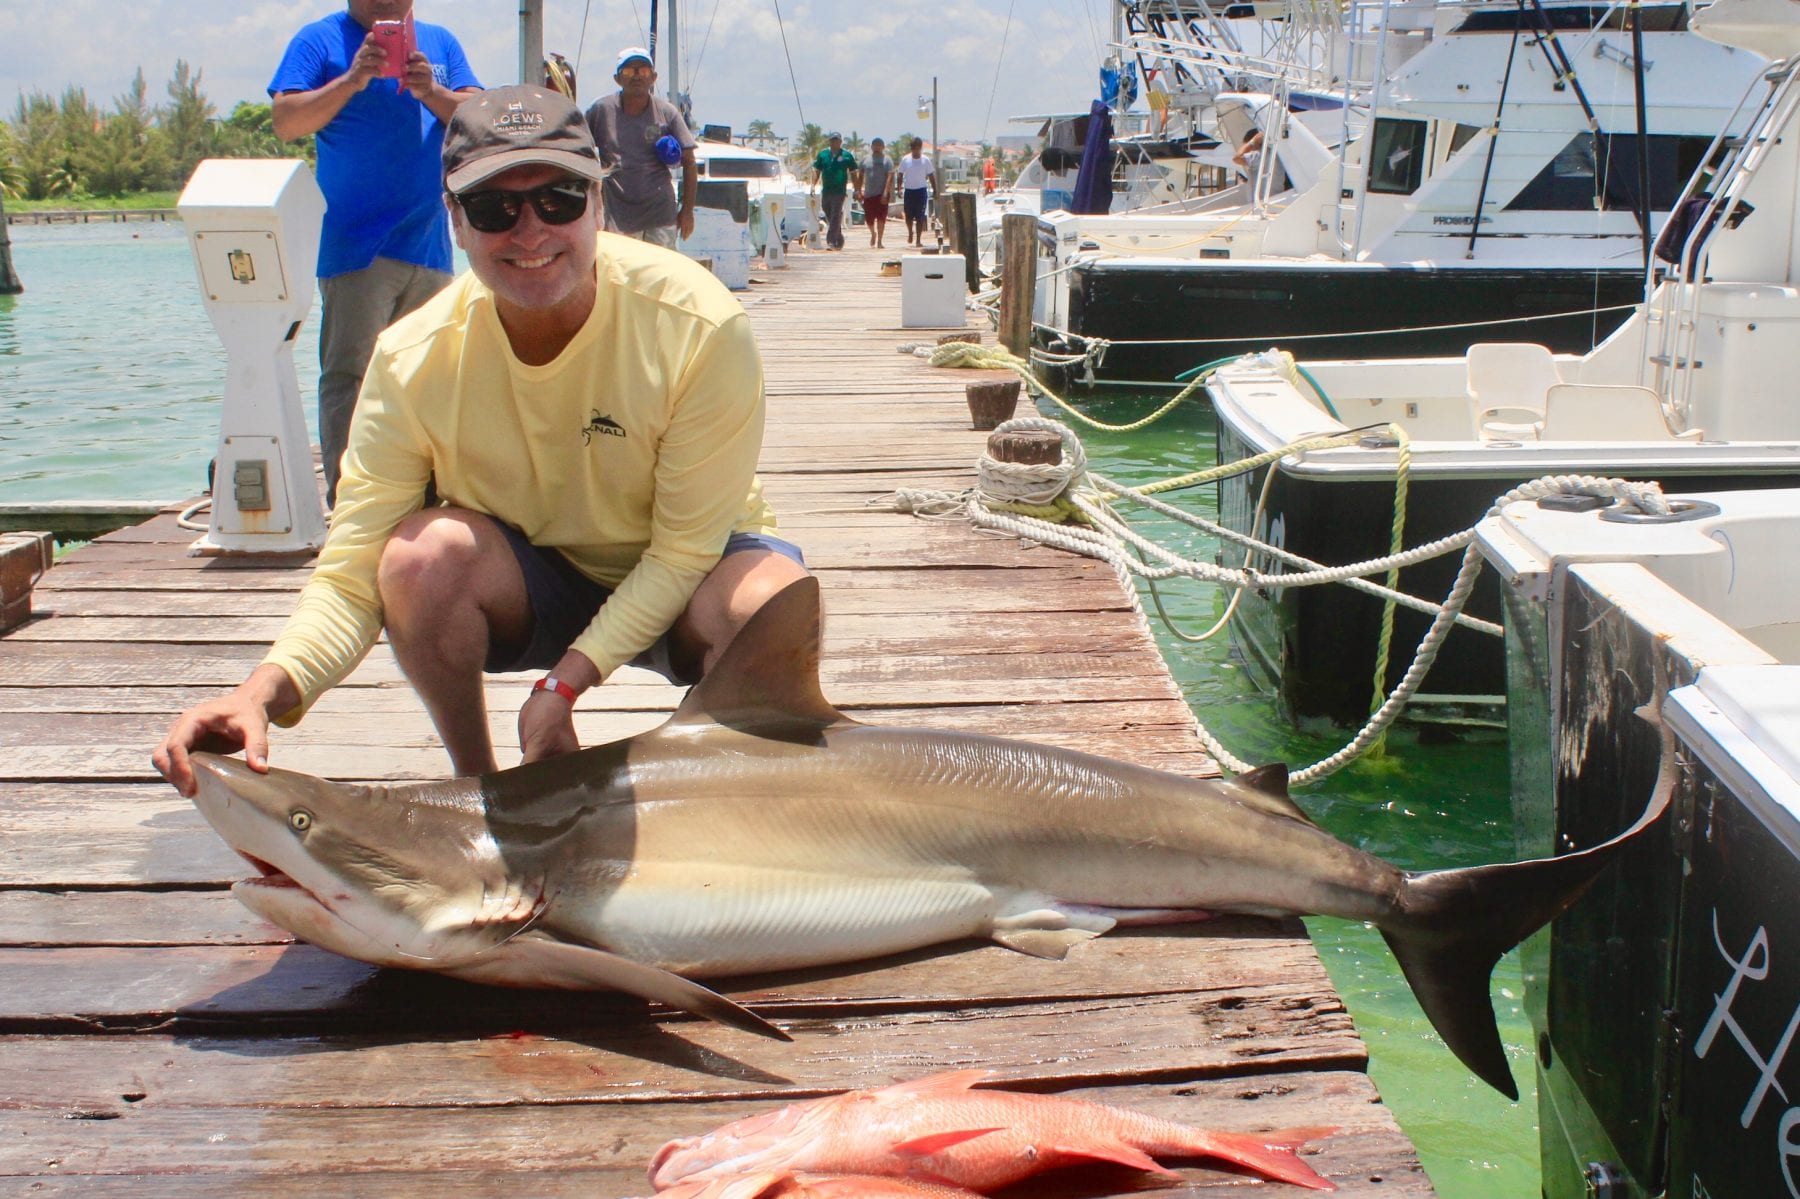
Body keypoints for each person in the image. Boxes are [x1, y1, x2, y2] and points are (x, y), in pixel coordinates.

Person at [153, 85, 809, 795]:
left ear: (598, 203)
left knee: (773, 601)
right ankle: (483, 795)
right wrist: (260, 692)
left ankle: (706, 793)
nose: (530, 232)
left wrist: (564, 687)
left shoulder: (697, 323)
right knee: (415, 560)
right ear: (455, 223)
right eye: (495, 208)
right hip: (533, 582)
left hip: (690, 572)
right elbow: (350, 574)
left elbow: (683, 551)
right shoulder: (411, 359)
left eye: (557, 199)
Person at [270, 0, 482, 509]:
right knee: (351, 375)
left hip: (430, 241)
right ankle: (350, 502)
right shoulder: (318, 40)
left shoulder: (441, 43)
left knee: (431, 377)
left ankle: (425, 496)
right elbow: (286, 121)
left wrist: (431, 89)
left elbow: (479, 121)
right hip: (355, 245)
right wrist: (351, 80)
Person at [585, 46, 697, 248]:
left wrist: (687, 212)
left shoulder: (667, 112)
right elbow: (580, 151)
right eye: (628, 71)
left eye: (643, 71)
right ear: (617, 78)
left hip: (660, 213)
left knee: (661, 272)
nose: (636, 76)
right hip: (617, 215)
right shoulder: (600, 110)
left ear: (653, 77)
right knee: (621, 275)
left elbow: (689, 162)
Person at [811, 132, 856, 251]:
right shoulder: (823, 154)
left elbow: (854, 172)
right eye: (832, 140)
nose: (834, 142)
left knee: (836, 214)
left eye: (836, 140)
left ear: (840, 142)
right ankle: (839, 237)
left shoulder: (847, 155)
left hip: (839, 190)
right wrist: (812, 185)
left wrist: (857, 188)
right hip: (826, 190)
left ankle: (831, 241)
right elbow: (817, 170)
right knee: (829, 214)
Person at [896, 137, 938, 247]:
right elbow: (900, 174)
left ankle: (918, 240)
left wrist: (935, 190)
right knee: (909, 216)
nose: (916, 150)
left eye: (918, 148)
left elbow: (931, 176)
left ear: (920, 148)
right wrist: (899, 188)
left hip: (921, 191)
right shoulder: (906, 159)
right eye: (913, 148)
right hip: (909, 191)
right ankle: (910, 232)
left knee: (920, 217)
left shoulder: (925, 160)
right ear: (911, 148)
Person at [857, 138, 893, 249]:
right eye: (875, 145)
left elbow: (889, 177)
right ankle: (873, 233)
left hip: (881, 194)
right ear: (871, 146)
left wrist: (886, 192)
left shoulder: (887, 160)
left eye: (879, 145)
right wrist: (858, 190)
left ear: (883, 147)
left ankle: (880, 241)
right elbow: (860, 176)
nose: (877, 147)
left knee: (882, 218)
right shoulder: (865, 160)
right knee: (869, 219)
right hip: (868, 194)